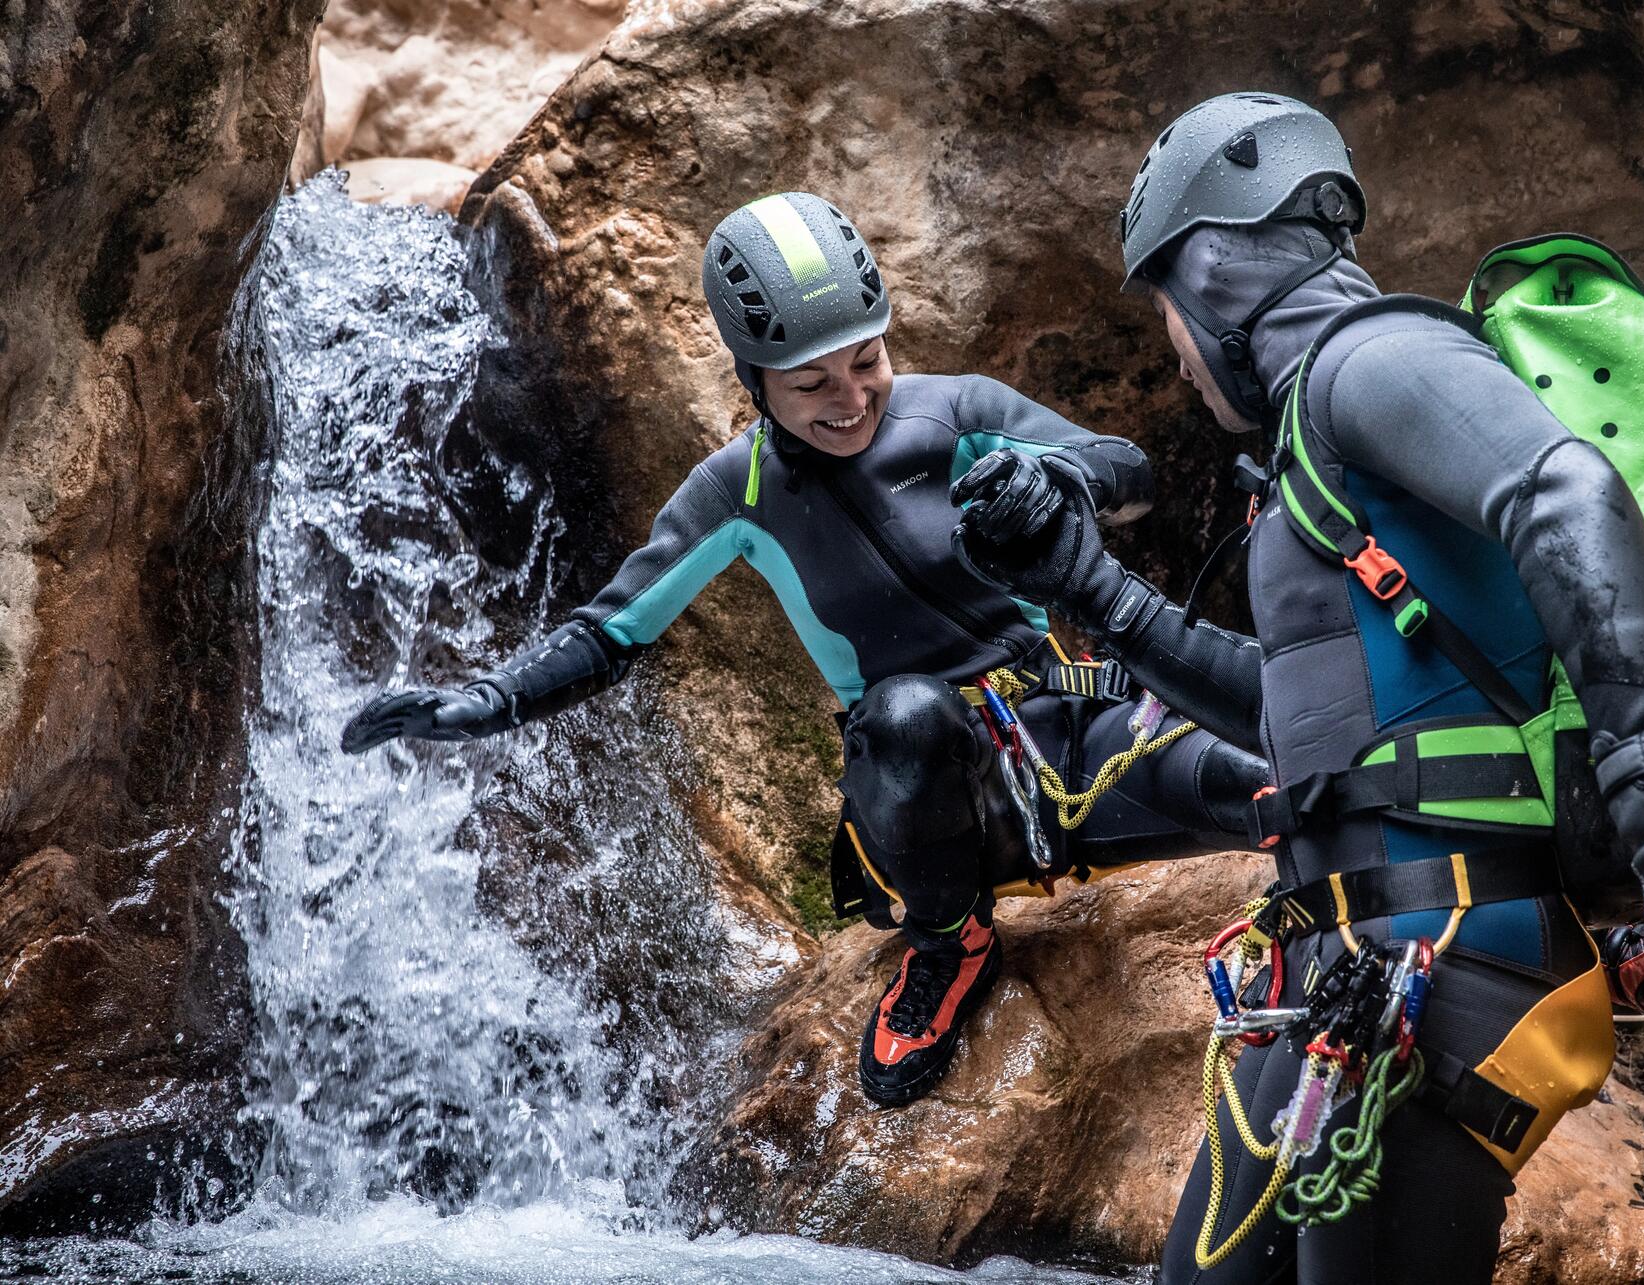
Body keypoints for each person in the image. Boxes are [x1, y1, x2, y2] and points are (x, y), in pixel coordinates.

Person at [952, 93, 1644, 1283]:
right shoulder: (1317, 440)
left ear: (1211, 271)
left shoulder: (1369, 357)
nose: (1177, 355)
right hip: (1344, 967)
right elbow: (1312, 735)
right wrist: (1090, 587)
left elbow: (1571, 494)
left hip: (1440, 958)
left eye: (1166, 313)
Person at [340, 191, 1269, 1109]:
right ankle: (949, 943)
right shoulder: (737, 492)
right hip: (928, 801)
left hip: (1066, 740)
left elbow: (1131, 472)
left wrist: (1056, 475)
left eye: (867, 361)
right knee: (906, 714)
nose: (852, 399)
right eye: (813, 384)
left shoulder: (953, 412)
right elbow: (612, 630)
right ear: (754, 380)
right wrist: (488, 701)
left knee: (1271, 784)